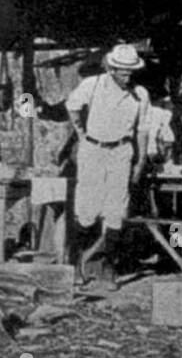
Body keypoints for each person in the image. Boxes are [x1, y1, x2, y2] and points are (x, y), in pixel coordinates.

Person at [64, 43, 149, 287]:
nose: (127, 75)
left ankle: (110, 266)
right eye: (122, 71)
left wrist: (141, 159)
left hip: (122, 152)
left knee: (116, 213)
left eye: (130, 70)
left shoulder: (140, 94)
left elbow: (142, 129)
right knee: (87, 211)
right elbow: (72, 107)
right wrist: (81, 134)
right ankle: (76, 263)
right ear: (112, 69)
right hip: (93, 150)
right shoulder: (93, 85)